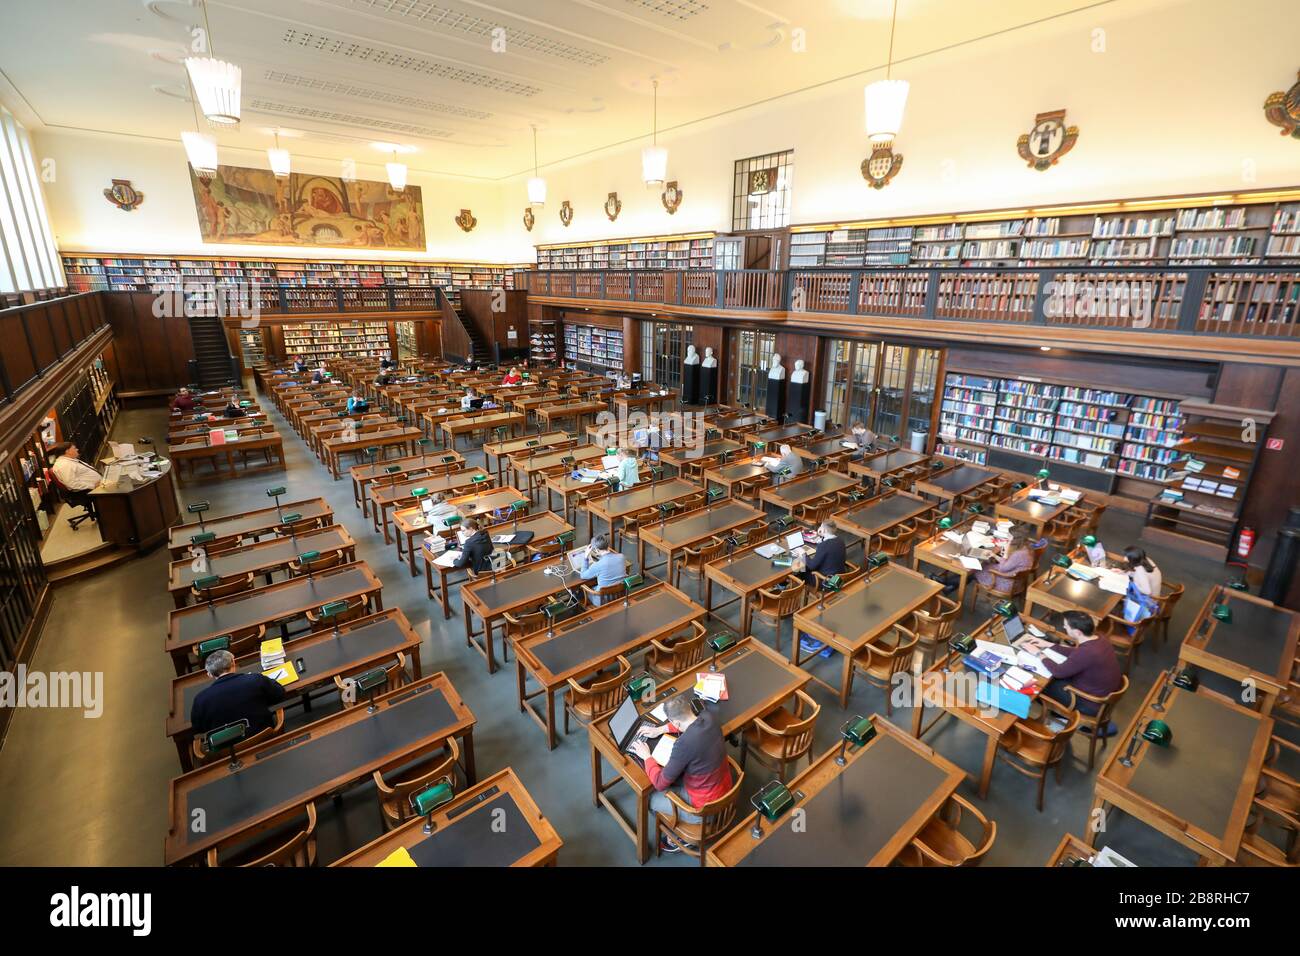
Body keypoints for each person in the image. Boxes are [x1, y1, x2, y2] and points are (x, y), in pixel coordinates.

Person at [629, 694, 732, 853]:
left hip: (704, 809)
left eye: (672, 723)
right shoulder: (709, 717)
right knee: (677, 775)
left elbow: (659, 782)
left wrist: (647, 756)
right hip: (724, 789)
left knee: (649, 798)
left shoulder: (683, 744)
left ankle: (680, 838)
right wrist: (660, 730)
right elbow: (686, 723)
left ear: (676, 722)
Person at [1042, 610, 1123, 731]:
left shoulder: (1087, 652)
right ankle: (1058, 716)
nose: (1064, 627)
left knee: (1042, 688)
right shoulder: (1100, 638)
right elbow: (1077, 654)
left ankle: (1062, 720)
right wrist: (1049, 645)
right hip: (1101, 694)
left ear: (1077, 632)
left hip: (1088, 703)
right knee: (1053, 681)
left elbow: (1059, 672)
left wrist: (1040, 655)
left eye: (1066, 626)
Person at [190, 649, 287, 736]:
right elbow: (279, 693)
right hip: (263, 735)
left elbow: (199, 729)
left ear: (210, 674)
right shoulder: (255, 679)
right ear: (233, 663)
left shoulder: (200, 700)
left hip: (229, 749)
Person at [576, 534, 628, 603]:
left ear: (596, 550)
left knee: (579, 591)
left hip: (603, 600)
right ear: (607, 545)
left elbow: (583, 575)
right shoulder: (621, 557)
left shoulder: (598, 565)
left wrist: (586, 557)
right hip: (620, 594)